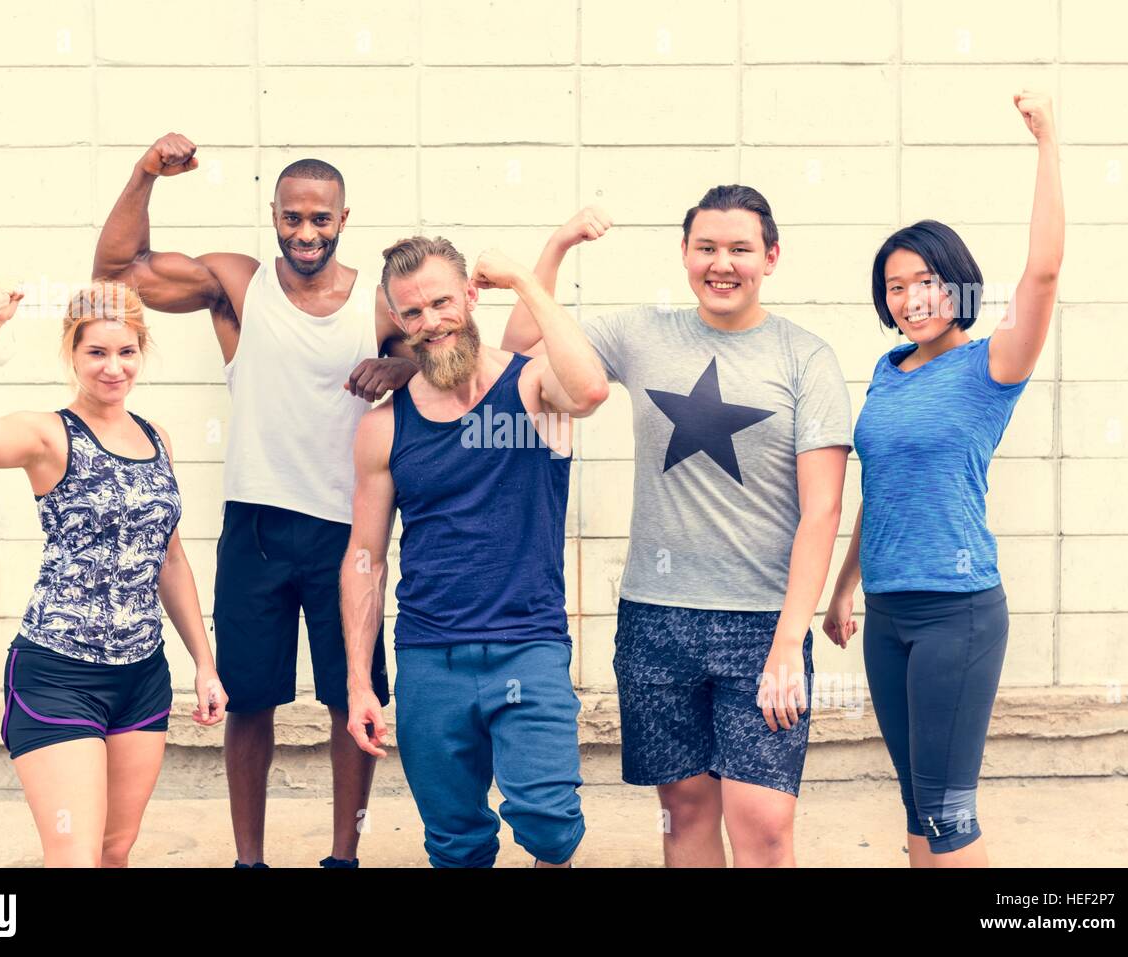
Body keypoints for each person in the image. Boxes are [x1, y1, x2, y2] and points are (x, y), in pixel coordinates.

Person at [93, 132, 417, 868]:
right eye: (293, 218)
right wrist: (147, 173)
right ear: (274, 214)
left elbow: (446, 354)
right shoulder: (240, 283)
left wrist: (396, 369)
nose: (307, 233)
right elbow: (117, 272)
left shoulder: (379, 302)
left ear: (343, 219)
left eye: (321, 220)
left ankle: (343, 856)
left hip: (349, 532)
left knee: (350, 701)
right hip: (257, 526)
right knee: (248, 702)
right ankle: (250, 859)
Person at [503, 200, 852, 867]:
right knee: (684, 814)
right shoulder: (642, 334)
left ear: (771, 257)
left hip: (761, 625)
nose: (722, 263)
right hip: (656, 621)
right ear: (685, 253)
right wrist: (551, 252)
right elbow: (522, 348)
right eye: (706, 247)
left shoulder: (806, 358)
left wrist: (787, 642)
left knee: (766, 824)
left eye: (741, 249)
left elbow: (823, 510)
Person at [822, 91, 1064, 867]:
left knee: (951, 811)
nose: (911, 297)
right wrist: (842, 585)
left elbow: (1046, 271)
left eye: (925, 280)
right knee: (918, 810)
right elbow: (881, 489)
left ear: (955, 282)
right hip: (887, 613)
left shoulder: (990, 363)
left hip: (958, 611)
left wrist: (1047, 143)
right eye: (896, 287)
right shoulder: (888, 373)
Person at [0, 278, 227, 867]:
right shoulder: (48, 434)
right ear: (72, 353)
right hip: (57, 677)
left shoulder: (156, 438)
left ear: (142, 350)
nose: (113, 367)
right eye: (96, 352)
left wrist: (205, 664)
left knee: (115, 851)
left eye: (126, 351)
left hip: (142, 678)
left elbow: (169, 558)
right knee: (74, 856)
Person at [342, 237, 609, 868]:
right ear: (398, 322)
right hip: (430, 656)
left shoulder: (531, 391)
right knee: (455, 843)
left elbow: (591, 390)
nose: (429, 322)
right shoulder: (384, 426)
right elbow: (365, 558)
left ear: (469, 295)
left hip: (528, 644)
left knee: (548, 824)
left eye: (441, 302)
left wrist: (524, 280)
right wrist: (360, 681)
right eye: (412, 313)